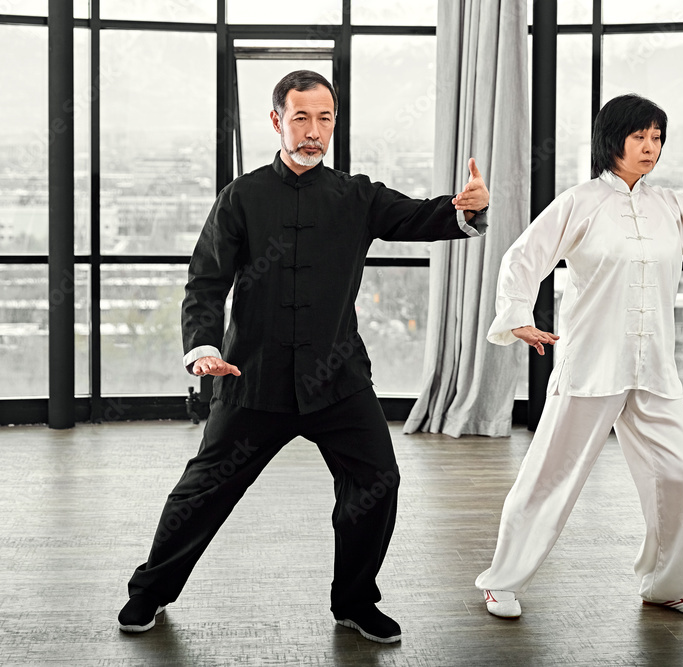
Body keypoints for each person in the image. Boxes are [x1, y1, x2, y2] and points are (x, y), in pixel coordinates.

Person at [118, 70, 490, 644]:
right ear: (276, 121)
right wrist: (203, 348)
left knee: (377, 481)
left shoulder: (357, 195)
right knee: (203, 490)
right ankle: (148, 592)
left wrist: (466, 210)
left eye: (325, 119)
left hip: (337, 381)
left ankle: (355, 601)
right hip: (252, 380)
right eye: (301, 118)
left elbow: (419, 215)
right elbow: (206, 281)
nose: (314, 131)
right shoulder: (241, 196)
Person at [475, 94, 683, 619]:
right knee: (549, 477)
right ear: (612, 140)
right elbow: (523, 257)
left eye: (657, 138)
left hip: (653, 369)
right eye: (640, 137)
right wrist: (517, 315)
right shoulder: (579, 202)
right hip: (592, 364)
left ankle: (664, 585)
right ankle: (501, 581)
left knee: (680, 474)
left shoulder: (670, 206)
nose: (651, 148)